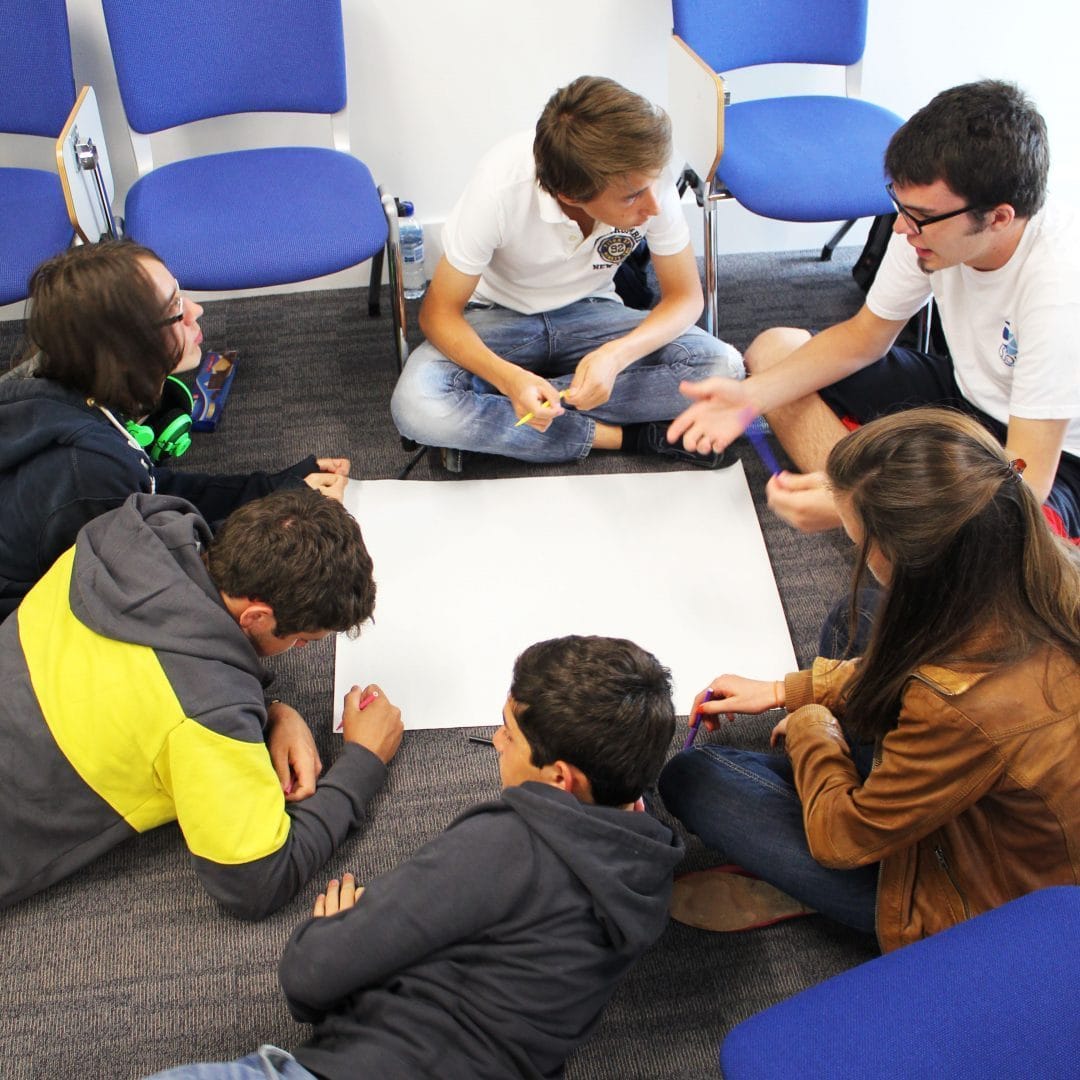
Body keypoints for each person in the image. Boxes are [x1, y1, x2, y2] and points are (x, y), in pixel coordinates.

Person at [143, 635, 683, 1079]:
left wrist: (332, 931)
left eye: (510, 733)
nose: (496, 740)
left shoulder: (508, 845)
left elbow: (309, 976)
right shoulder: (651, 870)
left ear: (561, 778)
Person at [658, 409, 1080, 952]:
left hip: (973, 893)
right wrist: (790, 690)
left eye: (857, 542)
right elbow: (942, 667)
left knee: (695, 778)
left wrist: (811, 723)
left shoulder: (961, 703)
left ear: (908, 561)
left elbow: (843, 840)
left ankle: (821, 885)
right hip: (994, 806)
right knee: (856, 617)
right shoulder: (1042, 570)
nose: (855, 552)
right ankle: (828, 793)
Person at [668, 80, 1080, 540]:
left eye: (919, 216)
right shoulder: (925, 226)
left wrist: (854, 503)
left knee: (1005, 533)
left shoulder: (1060, 288)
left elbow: (1026, 477)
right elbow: (864, 337)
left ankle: (876, 516)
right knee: (774, 350)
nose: (901, 227)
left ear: (999, 217)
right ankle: (885, 518)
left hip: (1050, 456)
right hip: (963, 397)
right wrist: (751, 396)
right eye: (900, 205)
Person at [0, 487, 403, 920]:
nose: (301, 649)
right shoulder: (205, 713)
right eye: (303, 639)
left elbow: (152, 670)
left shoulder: (131, 530)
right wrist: (363, 760)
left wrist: (269, 710)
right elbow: (257, 882)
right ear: (256, 617)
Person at [390, 75, 743, 467]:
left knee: (725, 367)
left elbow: (685, 298)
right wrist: (509, 379)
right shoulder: (499, 187)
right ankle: (629, 437)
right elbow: (437, 314)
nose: (654, 206)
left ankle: (490, 424)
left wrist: (615, 356)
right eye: (631, 197)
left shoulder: (644, 177)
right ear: (571, 196)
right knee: (416, 404)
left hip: (594, 311)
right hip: (497, 317)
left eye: (652, 185)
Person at [0, 240, 351, 619]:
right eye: (174, 309)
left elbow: (154, 493)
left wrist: (278, 488)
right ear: (127, 346)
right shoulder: (91, 468)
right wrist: (284, 519)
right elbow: (163, 571)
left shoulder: (78, 391)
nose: (196, 310)